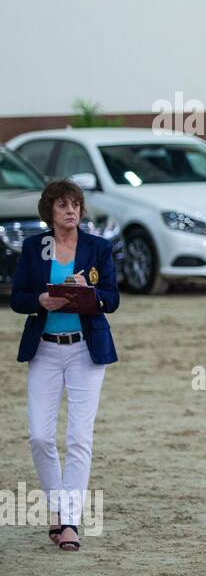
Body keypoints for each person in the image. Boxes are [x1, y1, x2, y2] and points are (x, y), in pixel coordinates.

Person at [10, 180, 119, 552]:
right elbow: (17, 298)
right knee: (39, 435)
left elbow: (112, 298)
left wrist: (88, 294)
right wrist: (41, 299)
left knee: (78, 437)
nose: (70, 211)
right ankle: (59, 507)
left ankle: (68, 520)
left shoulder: (98, 247)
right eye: (62, 206)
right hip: (44, 349)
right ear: (49, 212)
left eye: (75, 205)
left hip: (85, 351)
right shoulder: (32, 247)